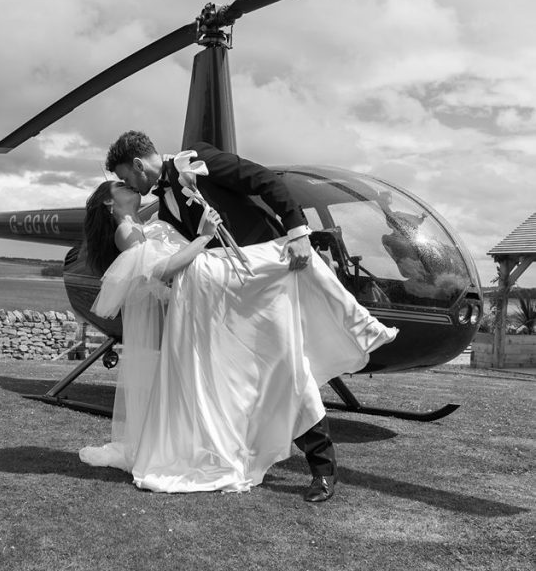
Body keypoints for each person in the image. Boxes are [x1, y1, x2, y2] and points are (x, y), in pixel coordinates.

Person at [78, 177, 397, 498]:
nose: (128, 184)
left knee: (282, 353)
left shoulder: (156, 218)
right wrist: (203, 237)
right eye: (120, 184)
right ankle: (353, 325)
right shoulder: (126, 232)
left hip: (215, 291)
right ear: (109, 203)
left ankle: (323, 464)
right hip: (203, 300)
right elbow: (163, 270)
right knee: (267, 357)